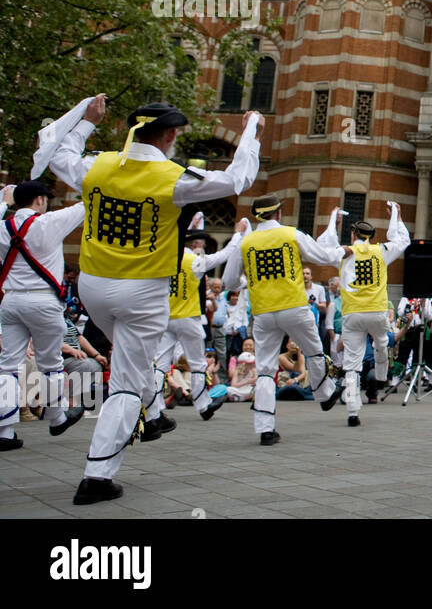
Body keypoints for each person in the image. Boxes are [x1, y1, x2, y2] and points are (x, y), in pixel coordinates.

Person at [48, 96, 262, 504]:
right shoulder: (174, 177)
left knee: (135, 357)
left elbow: (60, 154)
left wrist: (87, 121)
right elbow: (237, 180)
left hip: (92, 286)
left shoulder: (100, 164)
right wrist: (251, 130)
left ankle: (155, 413)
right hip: (141, 290)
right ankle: (97, 475)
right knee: (127, 378)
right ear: (169, 135)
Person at [220, 194, 346, 445]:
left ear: (257, 216)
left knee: (266, 369)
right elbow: (323, 257)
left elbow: (228, 282)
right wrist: (342, 249)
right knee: (314, 352)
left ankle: (266, 429)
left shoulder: (246, 243)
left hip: (264, 312)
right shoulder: (291, 234)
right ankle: (324, 394)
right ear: (278, 213)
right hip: (294, 306)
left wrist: (249, 281)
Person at [0, 180, 88, 451]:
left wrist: (5, 201)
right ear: (39, 200)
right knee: (50, 363)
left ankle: (4, 430)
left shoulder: (3, 228)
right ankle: (56, 417)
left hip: (11, 301)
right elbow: (88, 205)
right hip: (44, 302)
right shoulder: (50, 222)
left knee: (7, 366)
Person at [141, 224, 247, 437]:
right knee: (197, 363)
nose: (204, 248)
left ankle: (155, 405)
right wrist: (237, 234)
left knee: (160, 363)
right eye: (203, 245)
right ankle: (203, 405)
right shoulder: (195, 261)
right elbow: (224, 255)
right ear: (196, 245)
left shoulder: (168, 259)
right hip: (188, 317)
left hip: (166, 317)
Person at [319, 203, 409, 426]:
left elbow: (323, 248)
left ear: (353, 234)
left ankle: (352, 412)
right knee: (380, 341)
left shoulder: (346, 253)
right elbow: (403, 241)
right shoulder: (381, 251)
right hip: (377, 311)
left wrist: (333, 221)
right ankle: (381, 374)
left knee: (352, 364)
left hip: (352, 314)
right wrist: (396, 217)